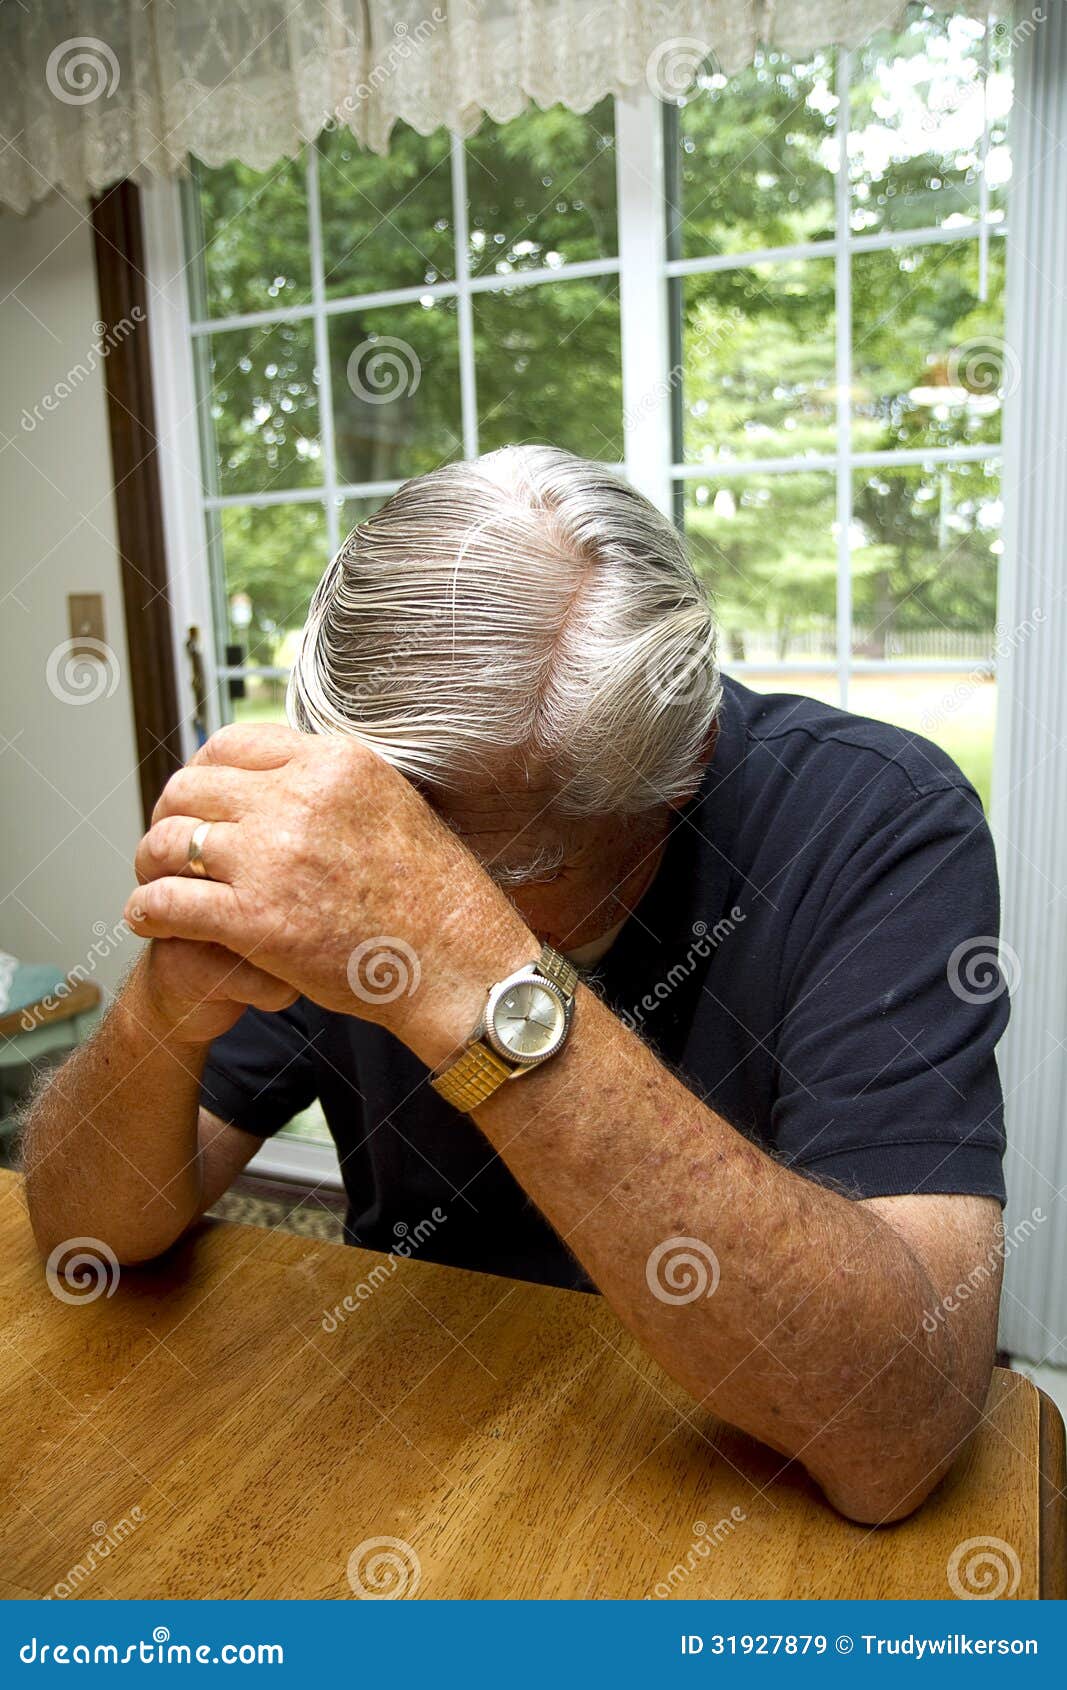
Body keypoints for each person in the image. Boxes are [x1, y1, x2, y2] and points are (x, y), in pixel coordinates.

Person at [21, 446, 1009, 1525]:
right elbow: (89, 1235)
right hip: (418, 1422)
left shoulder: (873, 822)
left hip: (726, 1481)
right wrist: (159, 1014)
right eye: (384, 816)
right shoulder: (346, 833)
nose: (376, 873)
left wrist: (476, 972)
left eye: (477, 862)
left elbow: (895, 1430)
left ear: (676, 772)